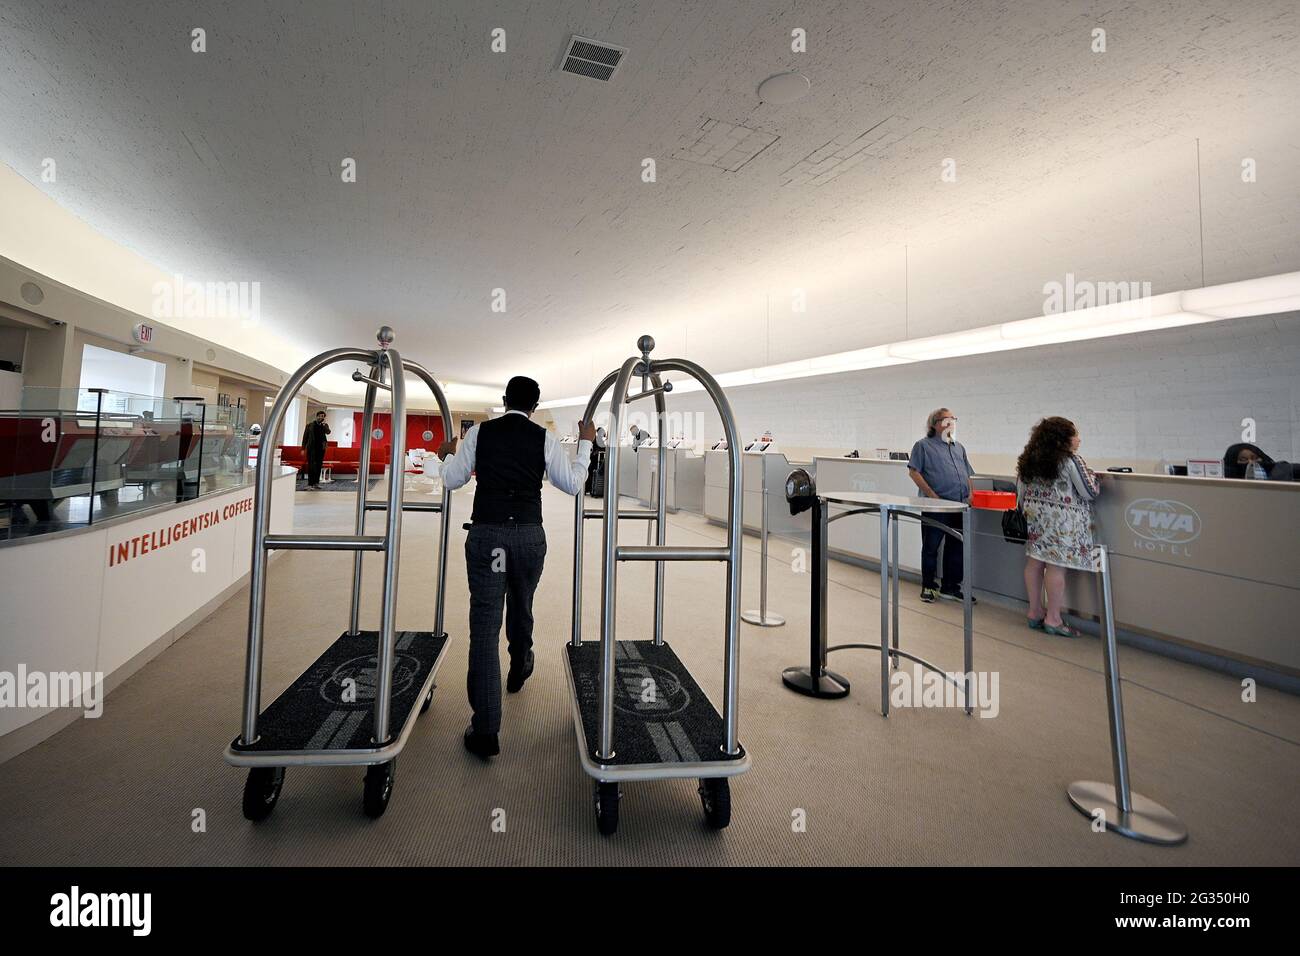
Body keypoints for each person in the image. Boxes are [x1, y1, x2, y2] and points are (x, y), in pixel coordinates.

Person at [437, 376, 596, 759]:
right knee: (522, 603)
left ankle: (486, 730)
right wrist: (586, 443)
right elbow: (573, 484)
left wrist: (446, 455)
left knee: (484, 628)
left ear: (504, 399)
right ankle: (521, 663)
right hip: (527, 538)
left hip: (489, 537)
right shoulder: (544, 438)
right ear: (534, 407)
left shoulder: (479, 433)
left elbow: (452, 480)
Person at [1016, 417, 1101, 638]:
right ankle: (1053, 619)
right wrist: (1093, 476)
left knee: (1034, 563)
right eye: (1075, 435)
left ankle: (1034, 612)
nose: (1079, 439)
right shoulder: (1070, 461)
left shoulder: (1029, 459)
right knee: (1056, 567)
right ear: (1062, 439)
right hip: (1062, 523)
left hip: (1036, 520)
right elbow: (1089, 492)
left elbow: (1020, 492)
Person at [908, 407, 976, 604]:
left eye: (953, 419)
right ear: (935, 424)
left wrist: (971, 493)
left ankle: (950, 587)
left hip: (959, 505)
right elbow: (914, 472)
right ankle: (928, 586)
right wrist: (932, 495)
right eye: (947, 420)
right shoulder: (923, 446)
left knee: (956, 546)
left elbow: (967, 473)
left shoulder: (959, 447)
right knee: (931, 547)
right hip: (936, 506)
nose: (951, 423)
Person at [301, 411, 330, 490]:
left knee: (318, 466)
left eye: (323, 416)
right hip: (311, 449)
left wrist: (324, 426)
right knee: (311, 466)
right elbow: (305, 437)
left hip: (321, 449)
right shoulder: (309, 425)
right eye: (320, 416)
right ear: (317, 416)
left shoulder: (324, 425)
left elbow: (328, 432)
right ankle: (310, 484)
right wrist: (303, 448)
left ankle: (316, 483)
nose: (321, 417)